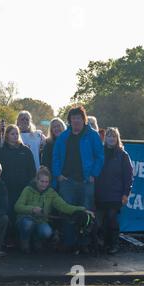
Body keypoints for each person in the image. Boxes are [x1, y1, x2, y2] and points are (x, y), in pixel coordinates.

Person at [52, 105, 104, 254]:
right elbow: (56, 157)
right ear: (69, 120)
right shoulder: (64, 136)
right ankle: (69, 243)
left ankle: (85, 244)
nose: (76, 121)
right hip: (67, 182)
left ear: (84, 119)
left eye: (79, 118)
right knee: (67, 213)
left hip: (86, 182)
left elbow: (100, 157)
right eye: (73, 118)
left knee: (87, 214)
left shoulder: (92, 135)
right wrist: (58, 175)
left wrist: (93, 174)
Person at [15, 166, 93, 254]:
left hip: (41, 221)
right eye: (42, 181)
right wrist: (32, 209)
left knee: (47, 232)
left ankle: (36, 240)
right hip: (26, 218)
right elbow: (17, 207)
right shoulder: (27, 190)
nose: (44, 184)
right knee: (28, 224)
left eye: (46, 182)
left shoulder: (51, 193)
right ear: (36, 180)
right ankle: (24, 241)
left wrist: (83, 209)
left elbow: (65, 206)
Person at [95, 128, 133, 254]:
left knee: (112, 219)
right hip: (100, 194)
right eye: (109, 136)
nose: (111, 138)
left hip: (115, 195)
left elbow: (128, 177)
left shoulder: (123, 155)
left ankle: (113, 244)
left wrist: (125, 194)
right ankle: (102, 244)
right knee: (99, 221)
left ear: (118, 139)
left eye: (114, 136)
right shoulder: (100, 153)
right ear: (105, 138)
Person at [0, 125, 36, 231]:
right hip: (6, 189)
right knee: (8, 213)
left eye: (17, 133)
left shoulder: (26, 150)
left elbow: (32, 170)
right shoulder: (1, 151)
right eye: (12, 134)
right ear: (7, 135)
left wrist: (29, 185)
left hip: (23, 189)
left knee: (21, 214)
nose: (15, 136)